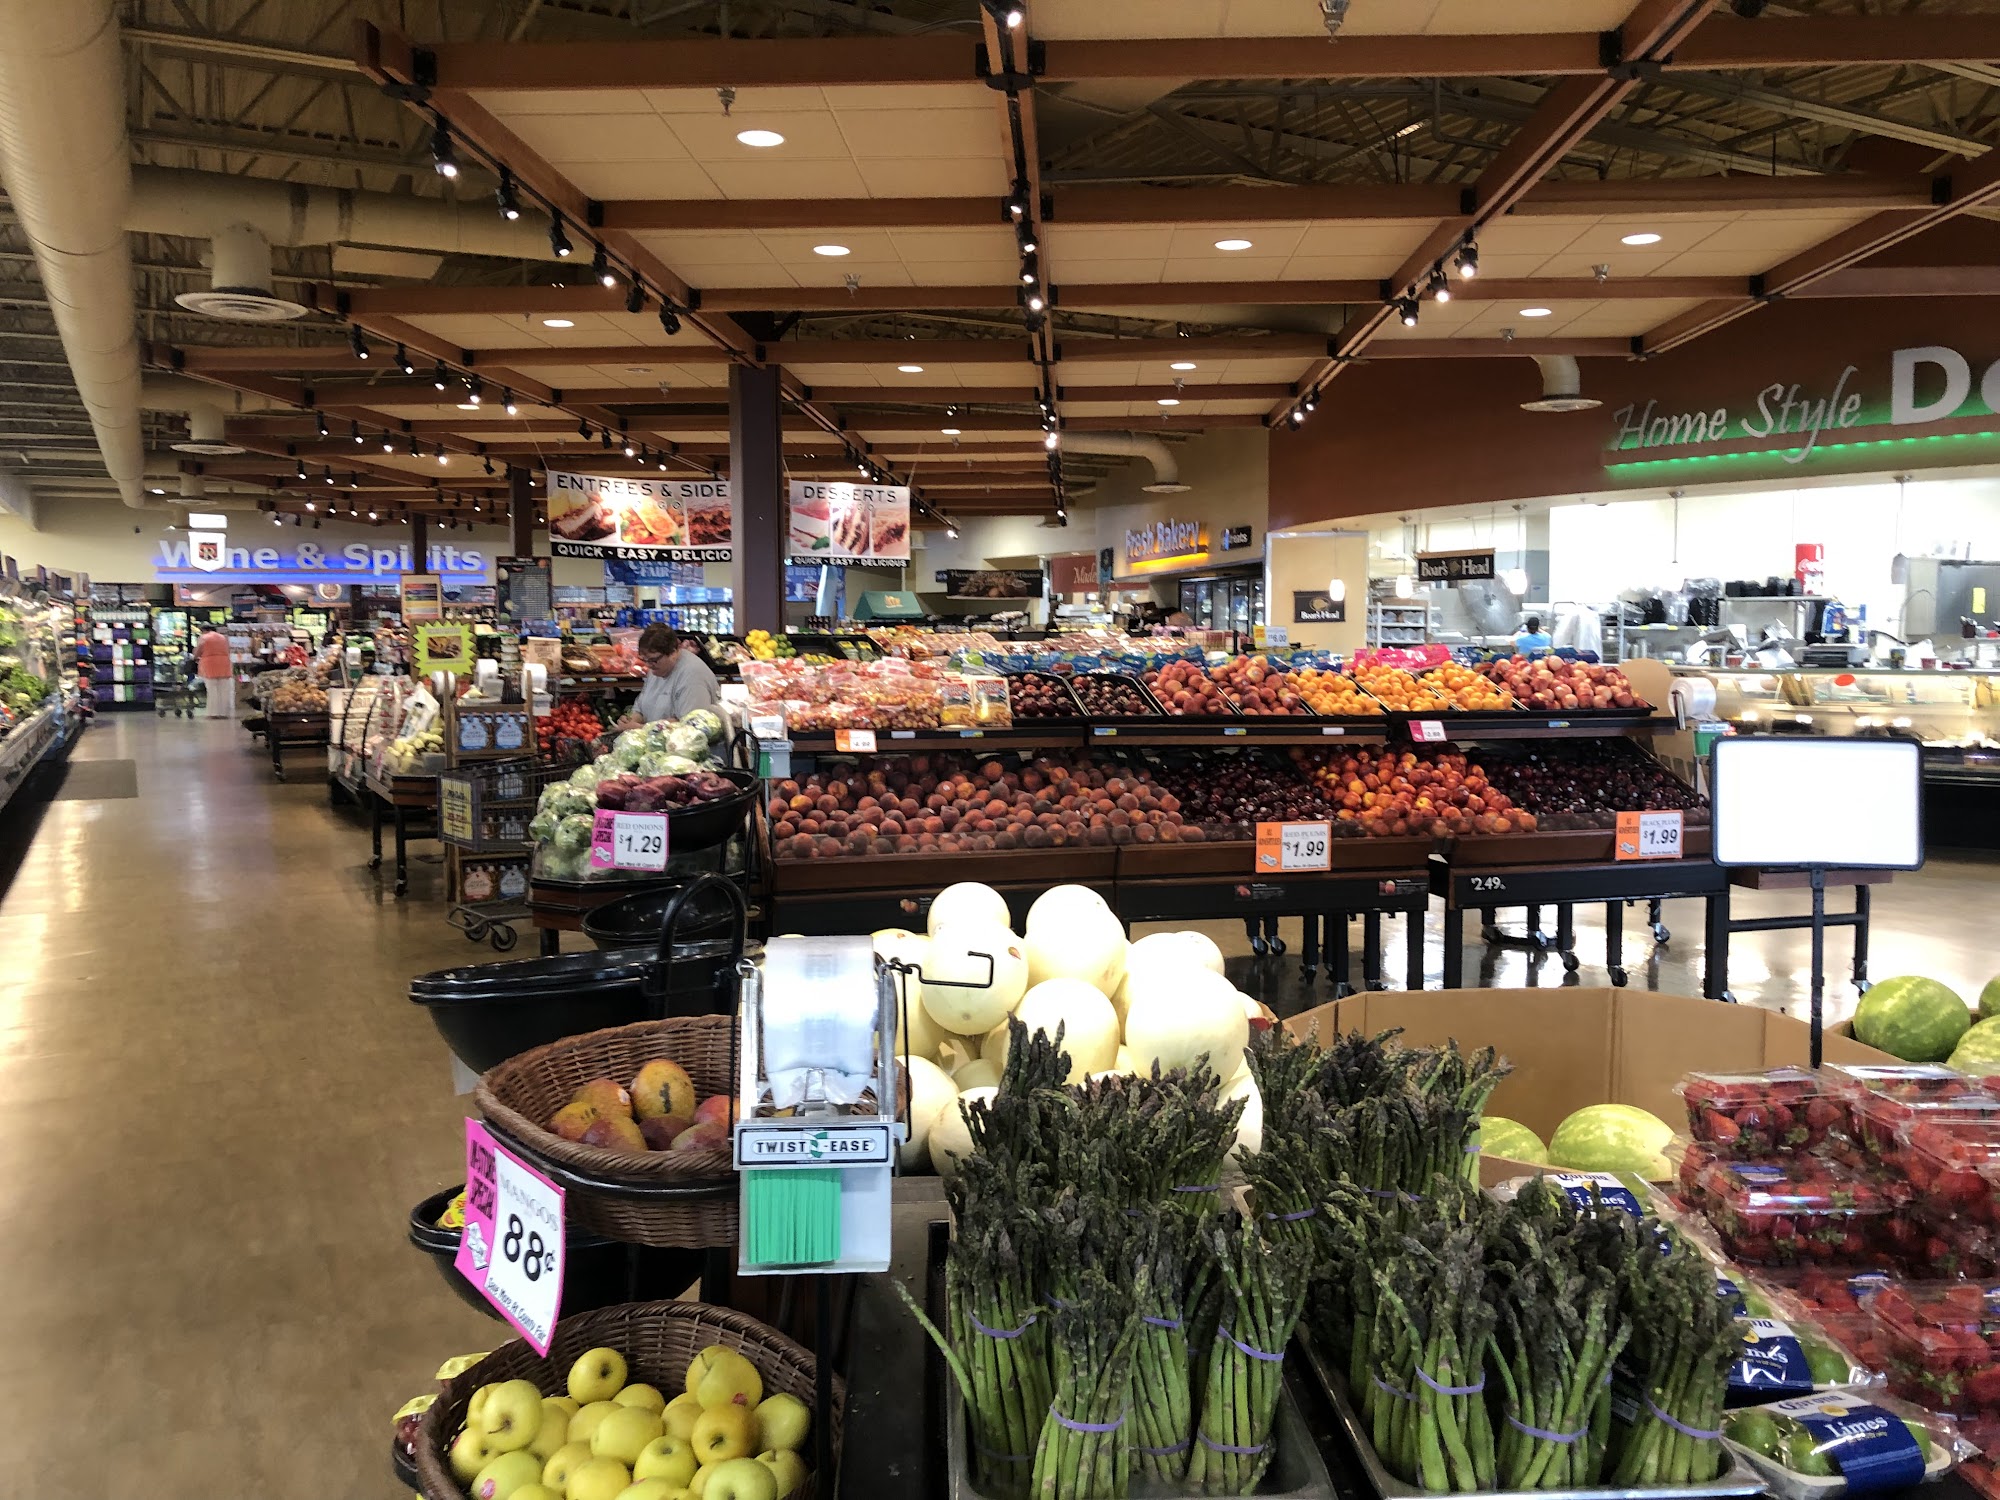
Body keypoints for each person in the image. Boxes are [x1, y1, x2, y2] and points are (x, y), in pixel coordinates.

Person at [621, 624, 719, 727]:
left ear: (673, 652)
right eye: (644, 660)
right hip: (653, 739)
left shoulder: (693, 676)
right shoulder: (656, 669)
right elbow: (641, 708)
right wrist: (630, 721)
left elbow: (691, 726)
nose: (648, 665)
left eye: (654, 660)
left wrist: (641, 728)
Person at [195, 625, 235, 718]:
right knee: (224, 690)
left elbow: (198, 651)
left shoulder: (204, 638)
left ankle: (213, 713)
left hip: (209, 664)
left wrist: (195, 657)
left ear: (204, 630)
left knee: (212, 689)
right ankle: (223, 713)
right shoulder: (223, 638)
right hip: (224, 663)